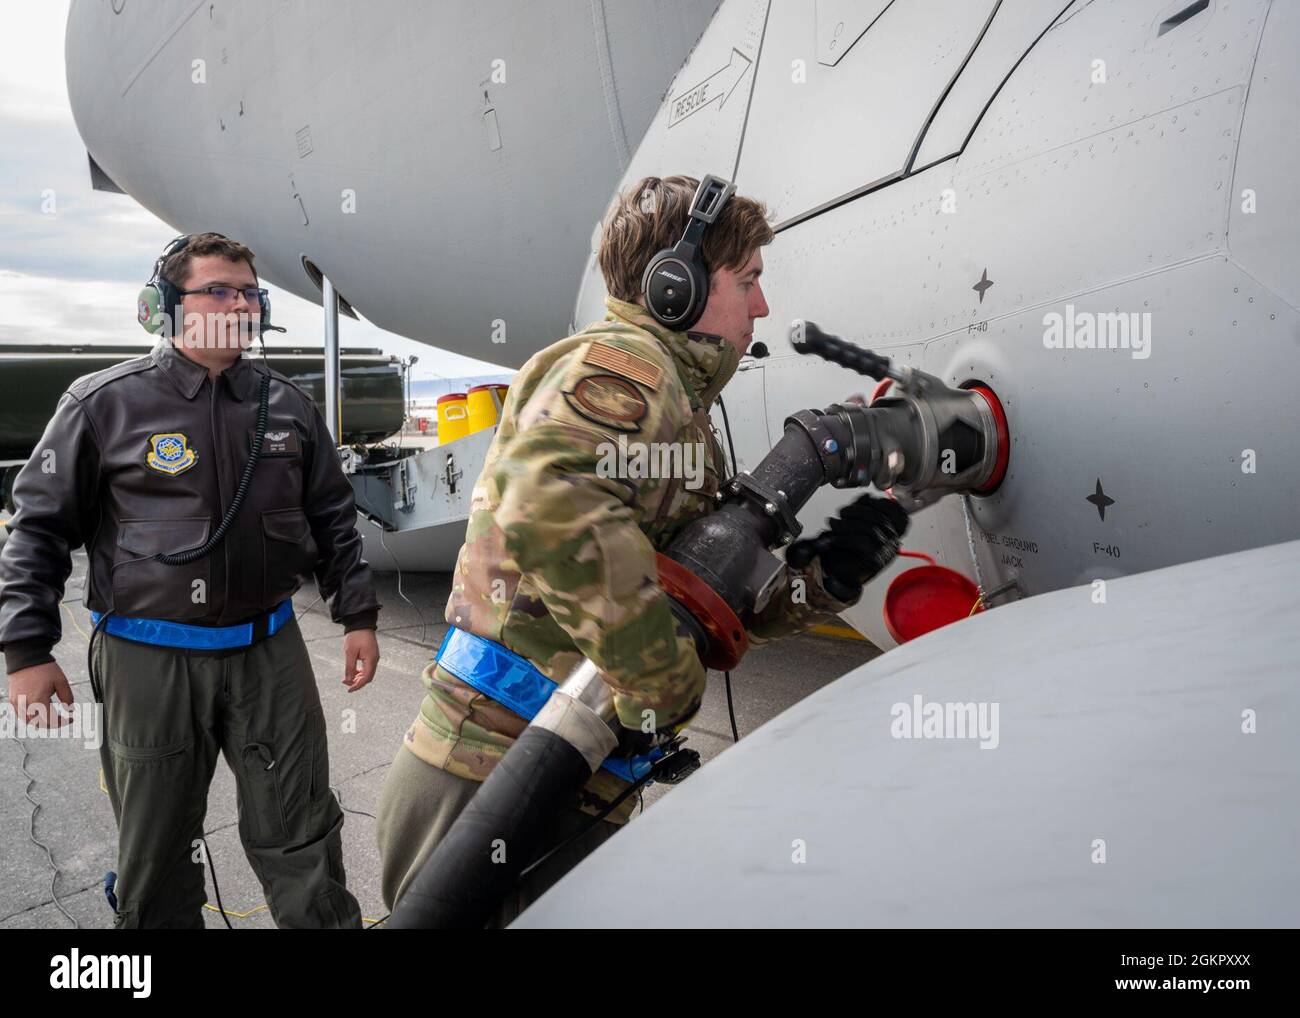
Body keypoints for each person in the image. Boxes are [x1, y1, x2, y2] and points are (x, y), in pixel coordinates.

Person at [375, 176, 907, 923]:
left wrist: (823, 580)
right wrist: (661, 681)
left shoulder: (676, 406)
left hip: (562, 778)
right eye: (749, 280)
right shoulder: (627, 373)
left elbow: (694, 601)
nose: (763, 305)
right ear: (675, 286)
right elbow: (547, 493)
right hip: (492, 777)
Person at [0, 232, 382, 928]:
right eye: (219, 290)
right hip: (149, 657)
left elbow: (332, 517)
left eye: (249, 292)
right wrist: (26, 651)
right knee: (156, 846)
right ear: (165, 306)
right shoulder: (101, 403)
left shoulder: (290, 406)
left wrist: (357, 615)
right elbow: (38, 529)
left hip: (269, 652)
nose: (240, 303)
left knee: (301, 828)